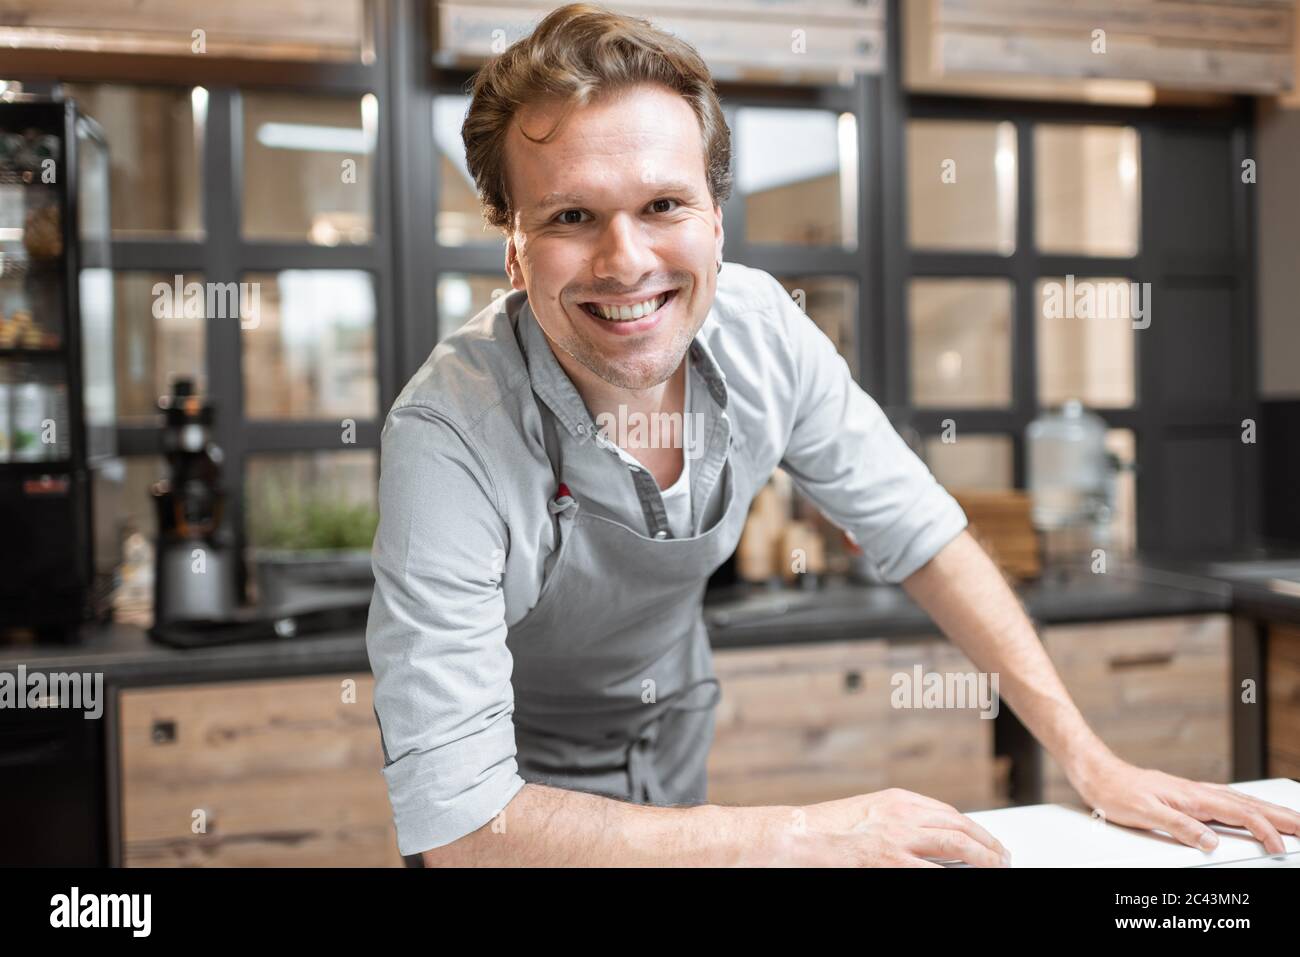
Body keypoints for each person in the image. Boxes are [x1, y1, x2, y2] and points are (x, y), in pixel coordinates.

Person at [365, 3, 1300, 866]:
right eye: (572, 216)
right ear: (514, 250)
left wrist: (1095, 763)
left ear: (716, 224)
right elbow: (463, 823)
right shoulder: (447, 436)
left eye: (664, 206)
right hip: (516, 820)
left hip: (669, 767)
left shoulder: (765, 331)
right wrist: (805, 831)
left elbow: (924, 534)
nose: (627, 261)